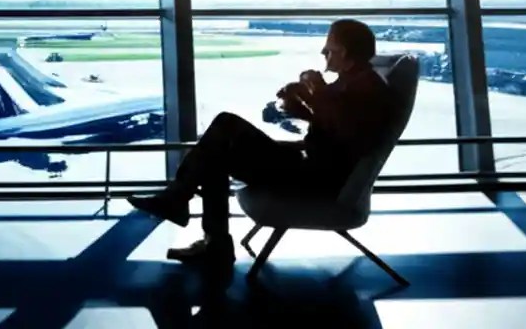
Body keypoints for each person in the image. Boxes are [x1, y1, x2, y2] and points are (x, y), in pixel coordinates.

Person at [127, 19, 394, 268]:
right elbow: (334, 128)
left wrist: (317, 92)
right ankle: (202, 229)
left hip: (317, 179)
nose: (324, 53)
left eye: (329, 49)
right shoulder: (356, 83)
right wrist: (302, 107)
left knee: (224, 128)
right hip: (313, 168)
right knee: (220, 140)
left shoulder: (367, 88)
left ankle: (197, 222)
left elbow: (347, 137)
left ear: (344, 52)